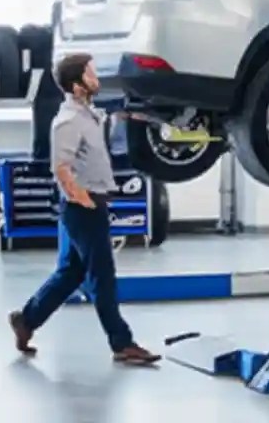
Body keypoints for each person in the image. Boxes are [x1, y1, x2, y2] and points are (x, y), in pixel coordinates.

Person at [8, 53, 161, 366]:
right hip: (83, 207)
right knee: (102, 276)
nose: (96, 77)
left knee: (70, 273)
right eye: (90, 73)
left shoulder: (88, 113)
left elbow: (111, 113)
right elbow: (60, 168)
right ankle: (122, 342)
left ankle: (27, 319)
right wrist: (84, 199)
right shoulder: (68, 121)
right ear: (77, 86)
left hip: (88, 202)